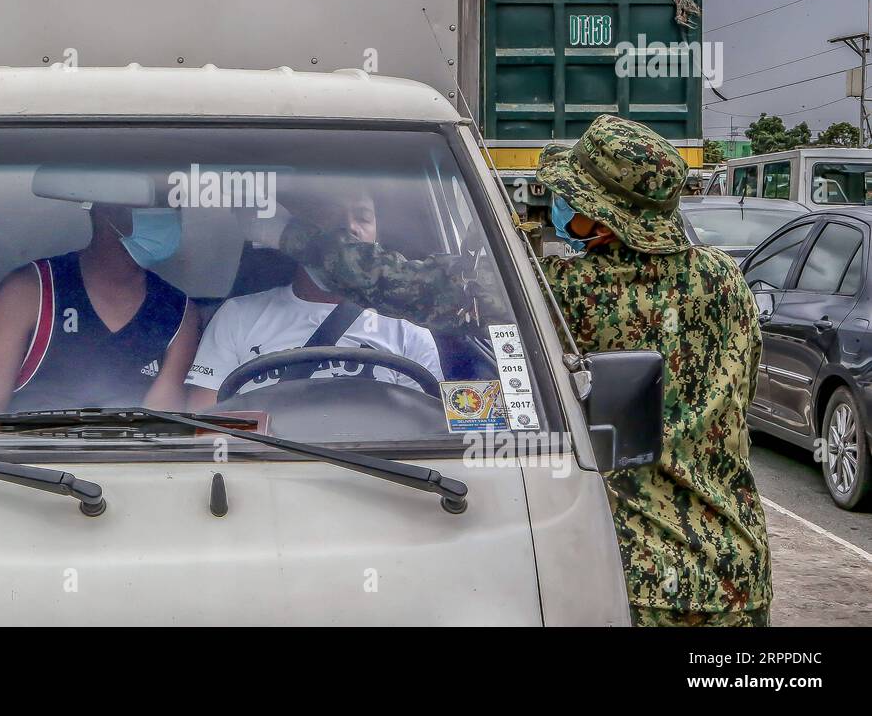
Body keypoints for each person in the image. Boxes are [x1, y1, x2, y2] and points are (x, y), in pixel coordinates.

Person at [278, 116, 772, 627]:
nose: (557, 207)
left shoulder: (562, 292)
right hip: (737, 569)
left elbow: (395, 283)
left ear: (598, 222)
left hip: (637, 577)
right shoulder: (725, 280)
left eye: (569, 200)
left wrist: (305, 236)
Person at [185, 188, 442, 406]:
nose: (350, 228)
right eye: (331, 216)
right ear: (298, 233)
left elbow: (429, 427)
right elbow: (206, 426)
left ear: (378, 237)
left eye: (363, 218)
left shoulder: (406, 325)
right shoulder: (237, 316)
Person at [0, 203, 200, 413]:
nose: (166, 212)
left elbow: (162, 423)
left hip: (129, 457)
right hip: (21, 455)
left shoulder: (179, 312)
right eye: (148, 201)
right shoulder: (29, 291)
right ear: (104, 209)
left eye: (172, 203)